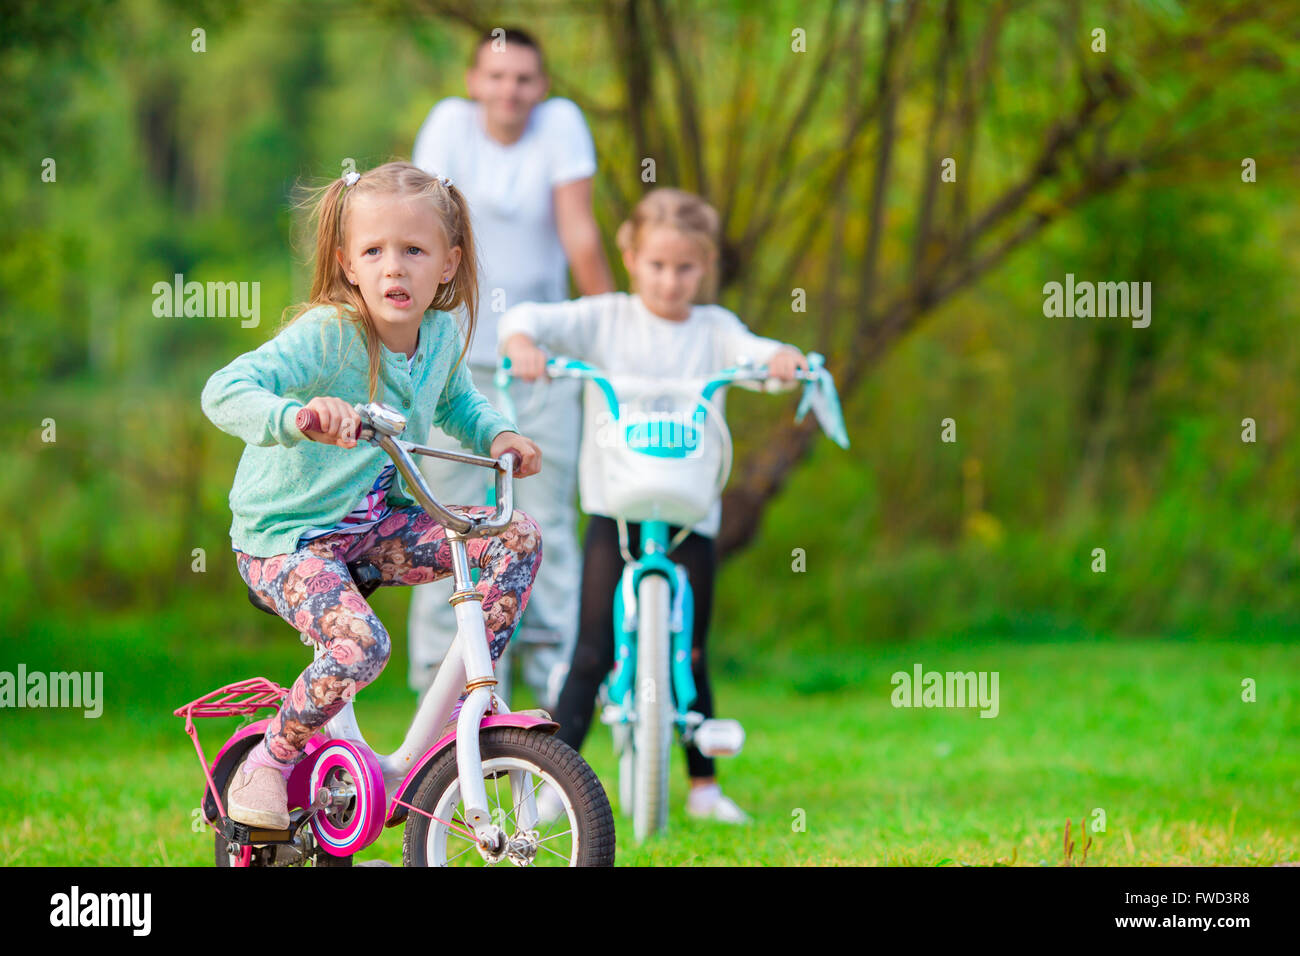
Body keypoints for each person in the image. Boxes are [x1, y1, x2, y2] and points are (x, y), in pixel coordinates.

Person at [200, 161, 543, 830]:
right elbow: (226, 388)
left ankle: (447, 724)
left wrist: (498, 432)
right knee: (362, 643)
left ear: (448, 263)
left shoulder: (441, 334)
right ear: (347, 264)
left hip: (374, 527)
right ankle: (271, 759)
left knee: (516, 533)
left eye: (414, 251)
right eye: (375, 252)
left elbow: (453, 400)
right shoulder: (330, 334)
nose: (395, 269)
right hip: (288, 540)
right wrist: (293, 418)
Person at [499, 188, 809, 824]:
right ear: (631, 256)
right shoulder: (604, 319)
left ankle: (703, 786)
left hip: (689, 514)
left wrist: (780, 362)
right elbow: (524, 317)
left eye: (686, 268)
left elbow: (756, 355)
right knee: (590, 653)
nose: (671, 281)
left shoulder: (714, 330)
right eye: (658, 265)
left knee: (689, 651)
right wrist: (524, 340)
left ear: (706, 267)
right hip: (615, 515)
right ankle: (559, 784)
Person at [408, 27, 615, 708]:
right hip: (457, 359)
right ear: (474, 82)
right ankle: (441, 694)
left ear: (543, 86)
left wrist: (613, 325)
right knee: (453, 522)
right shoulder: (448, 126)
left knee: (545, 516)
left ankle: (557, 689)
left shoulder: (560, 125)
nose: (511, 91)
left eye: (525, 78)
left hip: (541, 364)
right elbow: (430, 232)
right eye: (497, 77)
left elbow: (578, 231)